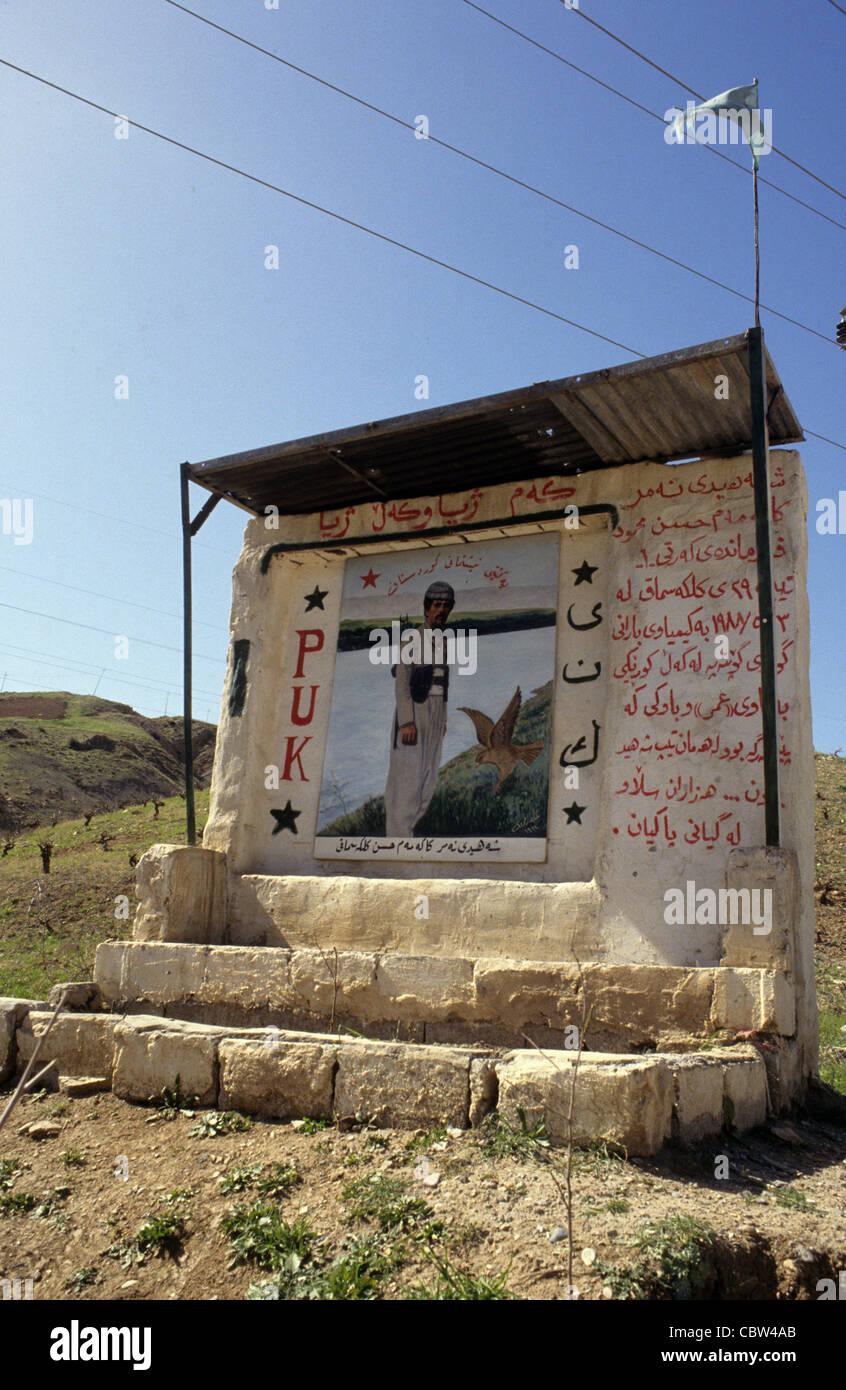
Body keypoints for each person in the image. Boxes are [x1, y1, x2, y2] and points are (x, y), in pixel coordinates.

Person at [384, 581, 454, 837]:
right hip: (414, 712)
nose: (441, 611)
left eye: (446, 606)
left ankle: (410, 834)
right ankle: (397, 837)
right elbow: (402, 682)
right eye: (437, 605)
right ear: (426, 609)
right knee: (407, 781)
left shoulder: (444, 642)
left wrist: (442, 721)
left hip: (435, 717)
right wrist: (406, 722)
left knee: (428, 780)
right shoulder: (412, 639)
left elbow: (443, 684)